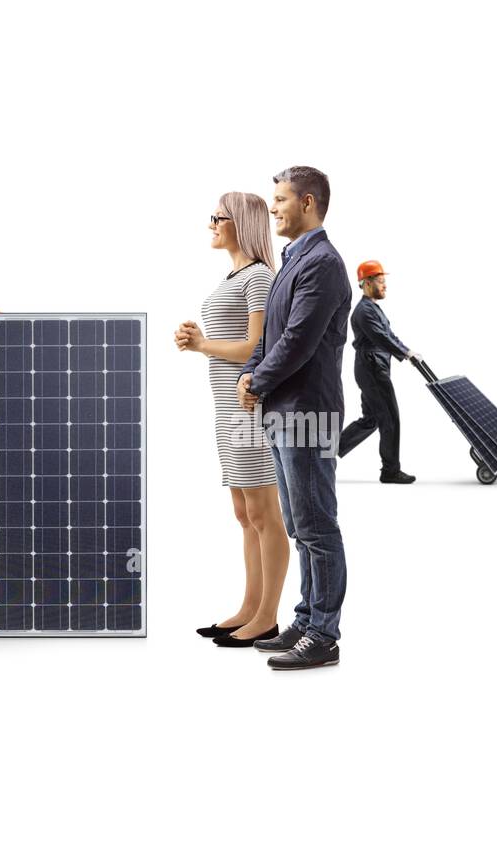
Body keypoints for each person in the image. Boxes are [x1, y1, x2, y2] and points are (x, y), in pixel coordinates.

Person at [238, 166, 349, 670]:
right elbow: (270, 335)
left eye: (280, 199)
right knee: (297, 524)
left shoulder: (323, 263)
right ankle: (306, 620)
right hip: (285, 411)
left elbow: (299, 341)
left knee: (316, 526)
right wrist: (252, 371)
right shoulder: (292, 259)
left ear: (308, 203)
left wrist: (256, 381)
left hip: (309, 412)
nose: (274, 208)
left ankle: (324, 635)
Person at [174, 193, 291, 648]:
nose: (211, 224)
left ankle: (266, 617)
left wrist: (203, 345)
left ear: (239, 222)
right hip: (227, 409)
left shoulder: (260, 277)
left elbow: (257, 348)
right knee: (245, 513)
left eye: (217, 217)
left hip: (252, 411)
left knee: (265, 514)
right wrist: (194, 340)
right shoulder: (234, 276)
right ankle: (249, 607)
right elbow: (230, 340)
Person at [337, 260, 418, 483]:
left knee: (371, 419)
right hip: (371, 367)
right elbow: (380, 337)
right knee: (390, 418)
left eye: (384, 281)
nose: (385, 286)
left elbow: (390, 335)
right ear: (366, 283)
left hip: (374, 365)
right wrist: (405, 353)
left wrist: (407, 351)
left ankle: (329, 450)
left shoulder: (373, 308)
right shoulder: (363, 311)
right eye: (380, 281)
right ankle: (390, 471)